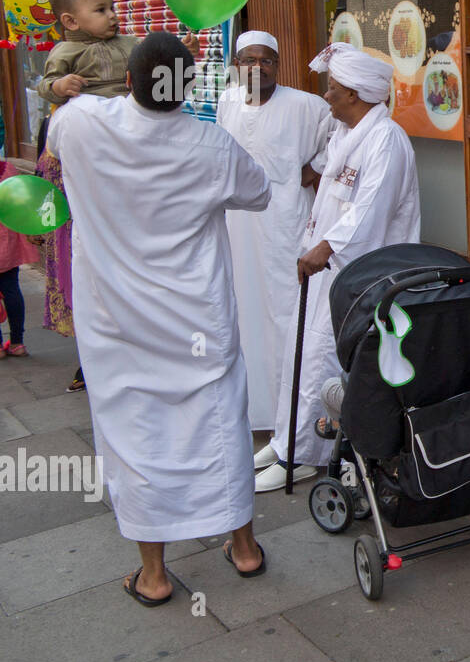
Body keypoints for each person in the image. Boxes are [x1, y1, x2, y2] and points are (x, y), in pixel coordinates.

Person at [46, 32, 272, 605]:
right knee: (221, 427)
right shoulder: (211, 145)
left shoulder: (81, 124)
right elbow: (260, 193)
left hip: (118, 326)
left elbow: (55, 131)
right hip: (198, 322)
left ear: (126, 82)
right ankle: (243, 548)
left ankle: (154, 575)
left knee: (134, 439)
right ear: (190, 87)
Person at [254, 42, 420, 491]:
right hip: (326, 271)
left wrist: (324, 248)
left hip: (357, 275)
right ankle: (287, 437)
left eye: (333, 89)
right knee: (302, 350)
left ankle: (308, 453)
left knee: (325, 360)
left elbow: (371, 212)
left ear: (357, 95)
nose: (326, 97)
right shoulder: (346, 134)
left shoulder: (386, 140)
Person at [36, 0, 199, 392]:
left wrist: (183, 58)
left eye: (112, 7)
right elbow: (44, 86)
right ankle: (93, 352)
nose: (113, 15)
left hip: (134, 147)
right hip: (90, 157)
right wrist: (58, 87)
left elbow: (157, 75)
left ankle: (149, 343)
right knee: (90, 254)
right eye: (102, 10)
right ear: (70, 20)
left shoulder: (130, 46)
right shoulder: (65, 53)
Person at [216, 31, 332, 432]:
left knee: (286, 312)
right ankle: (253, 413)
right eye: (248, 60)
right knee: (243, 312)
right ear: (236, 66)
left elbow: (337, 139)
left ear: (278, 66)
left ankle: (290, 420)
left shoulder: (306, 105)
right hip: (237, 226)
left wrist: (311, 171)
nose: (257, 67)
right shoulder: (227, 102)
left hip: (285, 223)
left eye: (266, 60)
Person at [0, 160, 41, 357]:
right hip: (7, 240)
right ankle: (17, 343)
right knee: (11, 289)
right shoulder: (7, 169)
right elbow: (22, 202)